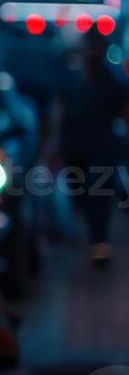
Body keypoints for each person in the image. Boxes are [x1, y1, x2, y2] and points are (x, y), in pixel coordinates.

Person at [53, 30, 128, 265]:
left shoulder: (112, 80)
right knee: (80, 191)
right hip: (74, 145)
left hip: (101, 146)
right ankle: (91, 233)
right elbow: (58, 112)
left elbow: (124, 111)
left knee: (100, 191)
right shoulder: (69, 78)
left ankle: (99, 241)